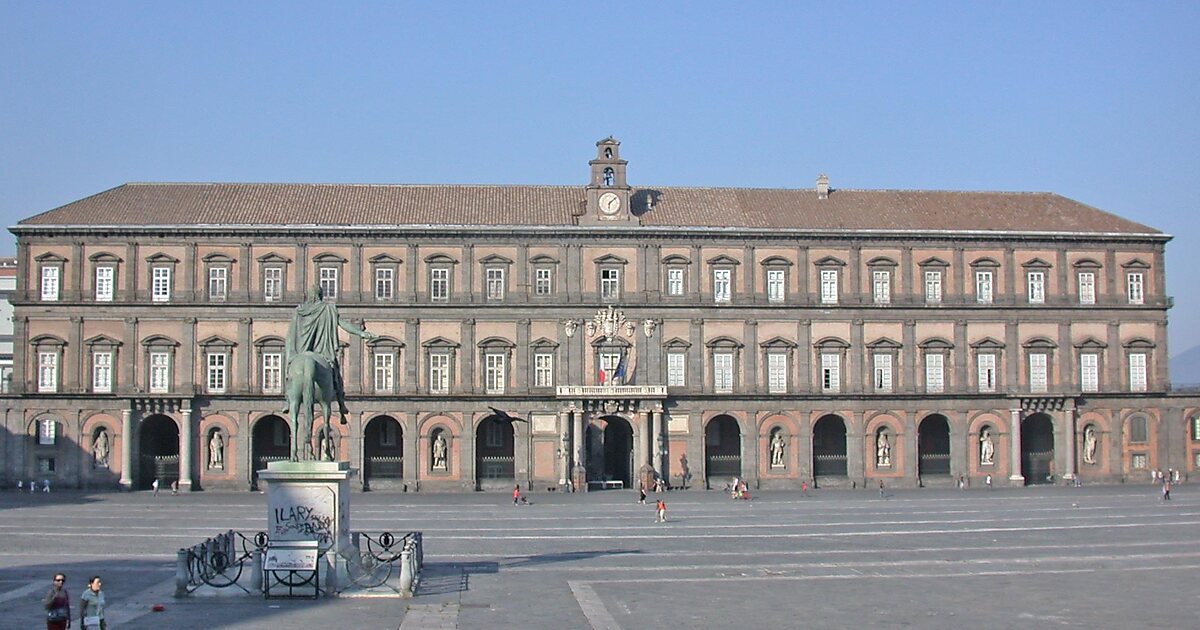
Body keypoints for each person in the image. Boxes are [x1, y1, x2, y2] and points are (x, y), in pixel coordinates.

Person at [286, 284, 377, 423]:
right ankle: (341, 404)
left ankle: (288, 400)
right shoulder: (327, 309)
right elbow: (343, 324)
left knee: (290, 371)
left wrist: (292, 353)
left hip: (301, 350)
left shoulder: (299, 311)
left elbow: (291, 335)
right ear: (320, 295)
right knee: (336, 374)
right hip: (322, 352)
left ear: (309, 295)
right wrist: (361, 333)